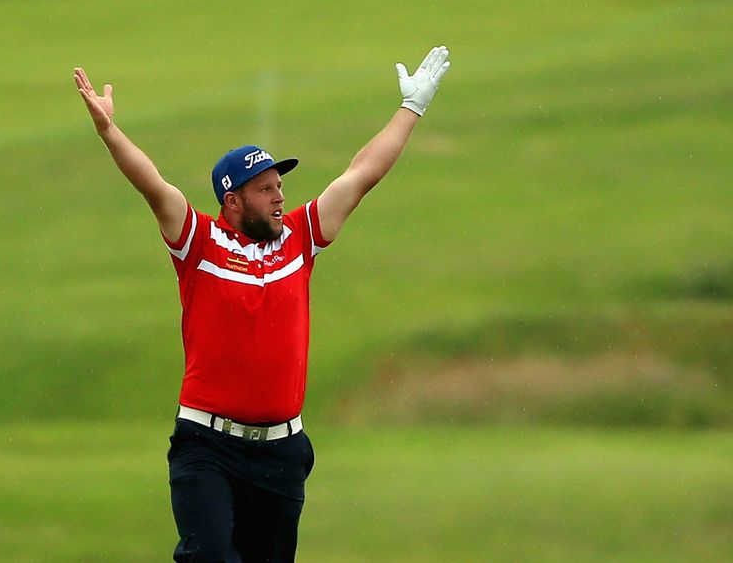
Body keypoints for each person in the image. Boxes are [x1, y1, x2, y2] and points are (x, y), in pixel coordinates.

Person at [73, 46, 451, 563]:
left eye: (280, 186)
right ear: (232, 201)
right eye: (266, 189)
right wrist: (110, 133)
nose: (279, 197)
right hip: (208, 446)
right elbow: (152, 184)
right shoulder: (199, 242)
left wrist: (411, 110)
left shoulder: (298, 237)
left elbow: (362, 174)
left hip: (281, 452)